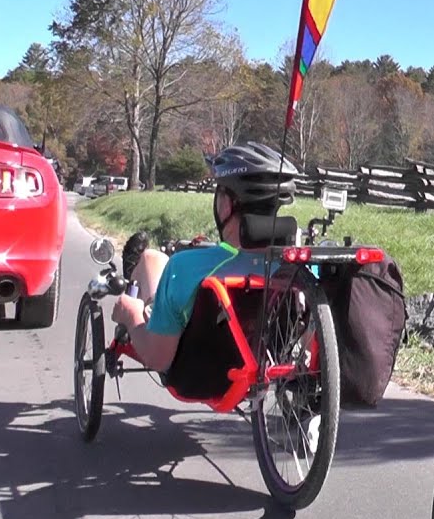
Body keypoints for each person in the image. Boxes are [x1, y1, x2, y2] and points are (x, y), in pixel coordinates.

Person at [111, 141, 301, 373]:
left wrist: (131, 316)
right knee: (154, 262)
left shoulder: (184, 266)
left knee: (152, 259)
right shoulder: (296, 271)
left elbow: (157, 360)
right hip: (266, 361)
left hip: (197, 375)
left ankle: (139, 289)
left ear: (225, 205)